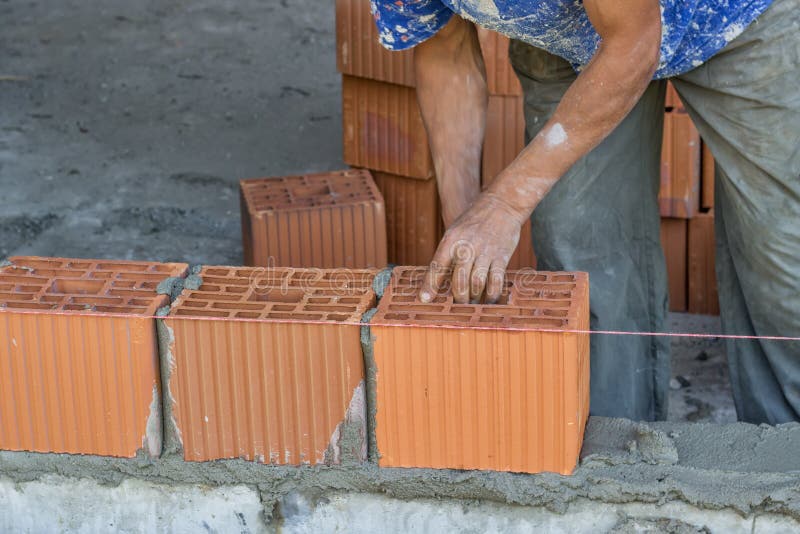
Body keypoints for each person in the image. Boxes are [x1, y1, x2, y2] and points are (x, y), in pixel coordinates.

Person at [370, 0, 800, 424]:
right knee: (582, 252)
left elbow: (635, 43)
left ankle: (784, 462)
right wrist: (464, 230)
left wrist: (505, 203)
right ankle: (617, 456)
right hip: (569, 35)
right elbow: (446, 50)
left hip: (734, 17)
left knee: (782, 255)